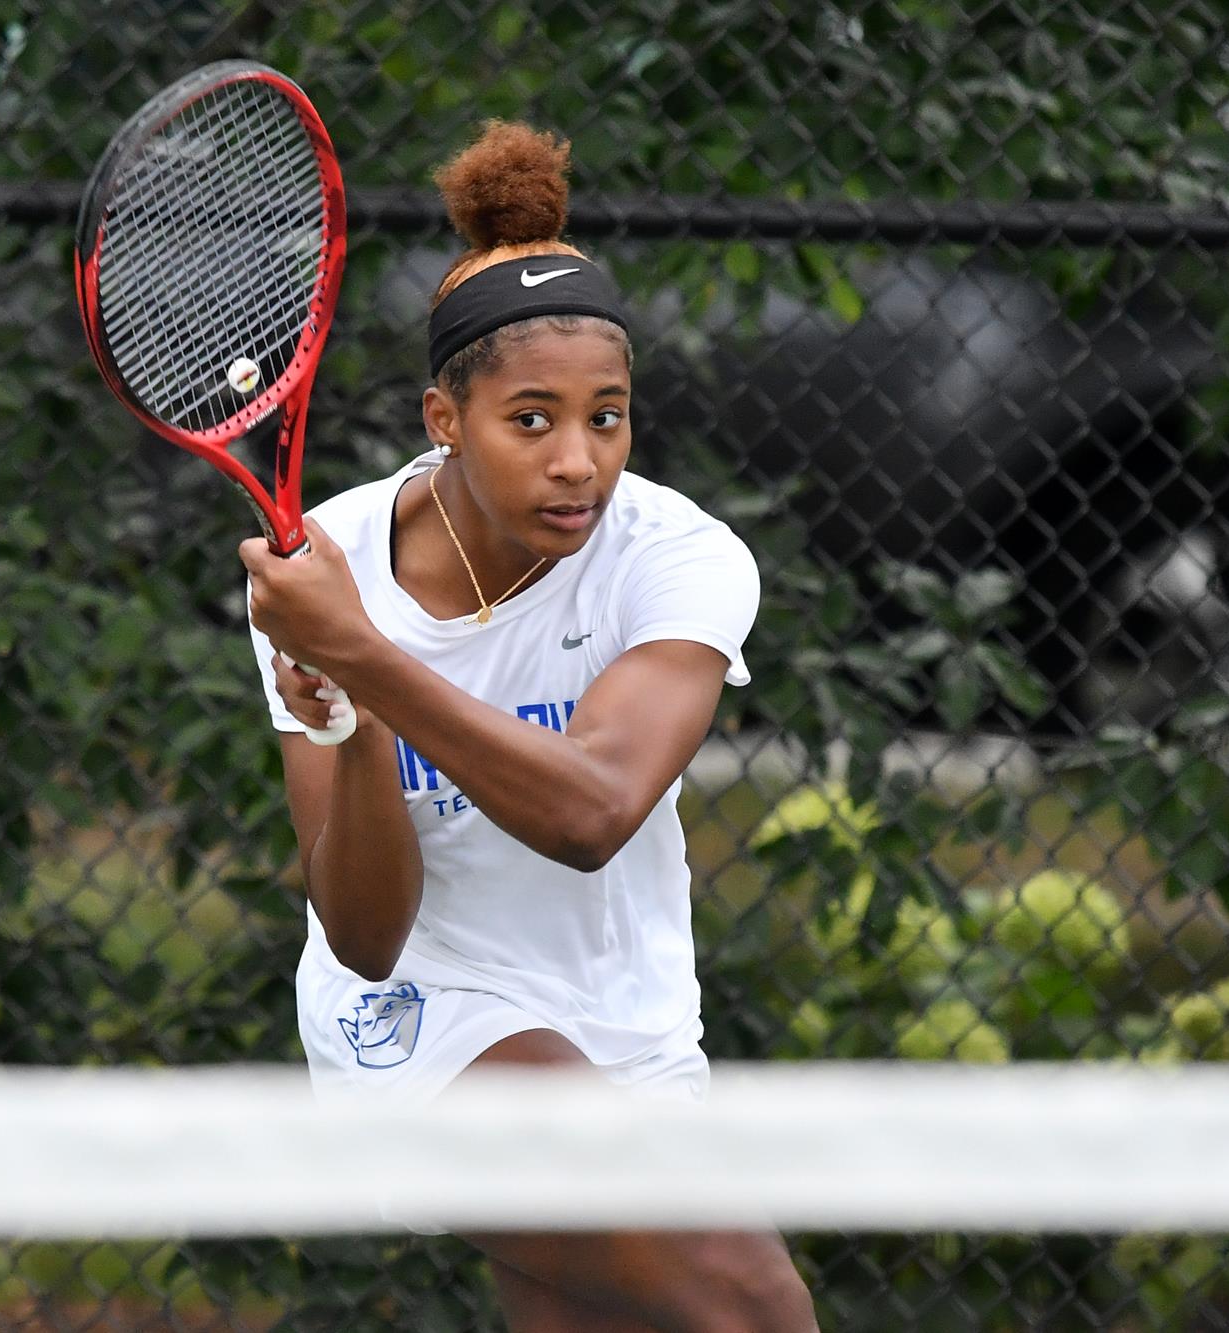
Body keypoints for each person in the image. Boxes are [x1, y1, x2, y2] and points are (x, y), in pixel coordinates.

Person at [242, 121, 819, 1333]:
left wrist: (363, 663)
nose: (578, 463)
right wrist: (356, 727)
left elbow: (591, 811)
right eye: (531, 420)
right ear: (443, 418)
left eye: (605, 417)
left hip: (629, 1016)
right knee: (755, 1312)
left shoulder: (677, 559)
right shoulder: (328, 565)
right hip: (422, 1017)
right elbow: (360, 931)